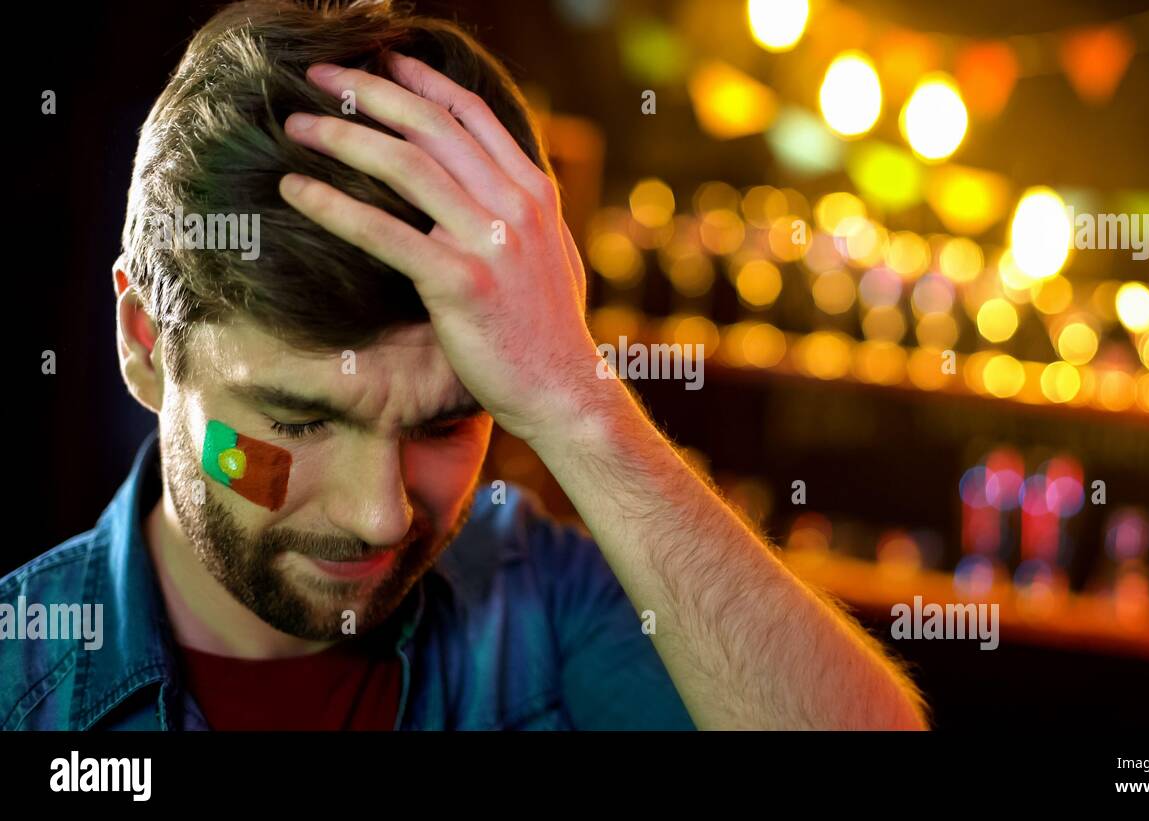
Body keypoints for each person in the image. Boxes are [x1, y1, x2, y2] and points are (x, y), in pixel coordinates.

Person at [0, 0, 926, 731]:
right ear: (143, 341)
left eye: (446, 424)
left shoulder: (546, 605)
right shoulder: (21, 672)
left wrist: (579, 400)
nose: (380, 514)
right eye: (299, 418)